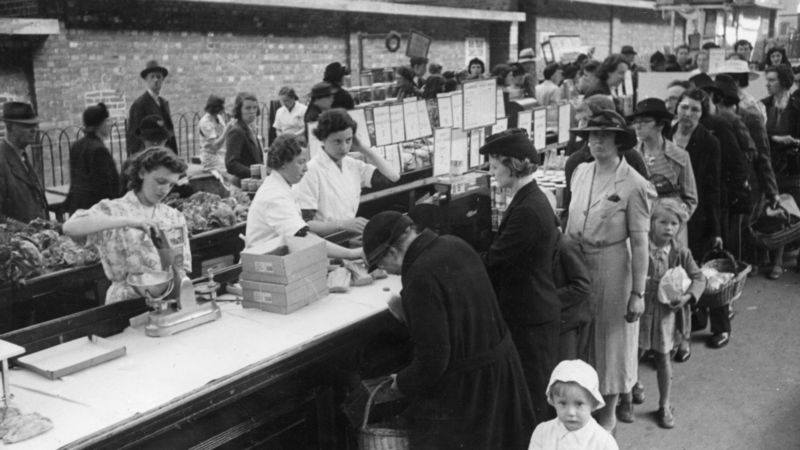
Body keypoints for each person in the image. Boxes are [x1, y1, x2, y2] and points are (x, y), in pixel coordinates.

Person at [363, 211, 535, 450]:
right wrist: (411, 313)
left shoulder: (419, 277)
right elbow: (461, 315)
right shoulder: (454, 244)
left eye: (382, 264)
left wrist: (401, 383)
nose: (388, 271)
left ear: (392, 252)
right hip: (502, 372)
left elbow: (434, 360)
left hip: (472, 390)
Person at [566, 110, 655, 431]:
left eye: (604, 135)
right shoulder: (580, 172)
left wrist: (638, 294)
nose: (596, 141)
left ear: (619, 141)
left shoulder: (634, 184)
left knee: (612, 343)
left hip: (614, 266)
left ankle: (608, 419)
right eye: (592, 134)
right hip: (578, 265)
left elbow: (641, 244)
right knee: (583, 341)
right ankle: (585, 414)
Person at [479, 129, 561, 424]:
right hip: (534, 311)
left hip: (530, 317)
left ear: (512, 165)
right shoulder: (530, 198)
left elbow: (496, 259)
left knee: (534, 395)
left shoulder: (527, 208)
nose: (492, 172)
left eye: (495, 166)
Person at [63, 147, 190, 304]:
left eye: (171, 185)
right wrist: (128, 221)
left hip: (166, 299)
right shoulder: (111, 210)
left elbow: (181, 270)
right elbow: (69, 228)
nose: (165, 190)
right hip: (124, 303)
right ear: (142, 173)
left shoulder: (174, 217)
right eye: (161, 181)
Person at [621, 199, 706, 429]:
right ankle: (628, 395)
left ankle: (664, 404)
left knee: (663, 357)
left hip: (665, 316)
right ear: (651, 222)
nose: (669, 228)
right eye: (663, 222)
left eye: (674, 223)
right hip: (641, 311)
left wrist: (687, 297)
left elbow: (699, 278)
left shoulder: (680, 252)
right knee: (633, 353)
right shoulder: (640, 247)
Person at [245, 134, 362, 259]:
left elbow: (303, 230)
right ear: (283, 163)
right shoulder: (275, 196)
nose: (306, 169)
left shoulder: (285, 186)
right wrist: (351, 253)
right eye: (300, 162)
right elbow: (302, 238)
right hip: (264, 262)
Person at [295, 109, 400, 236]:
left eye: (348, 140)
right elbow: (305, 224)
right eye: (337, 141)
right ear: (323, 138)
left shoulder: (352, 165)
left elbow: (393, 177)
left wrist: (363, 149)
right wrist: (342, 224)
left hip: (347, 236)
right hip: (325, 241)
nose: (344, 147)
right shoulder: (311, 171)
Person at [628, 98, 698, 246]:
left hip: (671, 232)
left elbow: (690, 198)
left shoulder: (679, 156)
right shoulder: (631, 155)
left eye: (645, 121)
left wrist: (677, 219)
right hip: (640, 228)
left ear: (660, 124)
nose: (638, 126)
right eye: (636, 122)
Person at [563, 95, 647, 211]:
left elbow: (643, 208)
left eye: (586, 120)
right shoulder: (576, 164)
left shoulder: (631, 160)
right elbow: (568, 209)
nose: (582, 126)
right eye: (594, 134)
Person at [761, 65, 800, 279]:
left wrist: (794, 142)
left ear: (784, 82)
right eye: (767, 79)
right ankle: (769, 257)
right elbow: (757, 134)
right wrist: (775, 139)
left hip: (791, 165)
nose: (767, 84)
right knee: (773, 208)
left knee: (790, 209)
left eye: (772, 80)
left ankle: (778, 260)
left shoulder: (796, 107)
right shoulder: (763, 105)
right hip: (769, 164)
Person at [528, 360, 618, 450]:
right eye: (563, 403)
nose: (571, 412)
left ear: (593, 403)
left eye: (579, 404)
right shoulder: (542, 433)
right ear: (553, 401)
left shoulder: (604, 442)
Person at [65, 103, 121, 214]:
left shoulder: (77, 146)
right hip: (95, 210)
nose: (109, 125)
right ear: (99, 124)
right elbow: (108, 185)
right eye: (107, 121)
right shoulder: (99, 150)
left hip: (78, 207)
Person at [0, 101, 48, 223]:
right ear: (10, 127)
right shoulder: (2, 160)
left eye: (35, 125)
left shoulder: (22, 156)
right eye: (27, 126)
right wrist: (29, 230)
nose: (34, 130)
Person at [552, 232, 592, 362]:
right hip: (555, 321)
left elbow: (582, 286)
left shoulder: (566, 245)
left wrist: (547, 299)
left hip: (568, 324)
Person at [126, 60, 177, 155]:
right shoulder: (139, 104)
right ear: (146, 79)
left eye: (159, 76)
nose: (156, 80)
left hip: (165, 153)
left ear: (162, 80)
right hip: (150, 155)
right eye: (152, 76)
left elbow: (170, 132)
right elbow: (134, 137)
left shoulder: (163, 103)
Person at [225, 92, 264, 185]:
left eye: (255, 107)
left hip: (255, 183)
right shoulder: (237, 131)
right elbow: (231, 164)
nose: (252, 111)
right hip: (243, 184)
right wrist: (254, 173)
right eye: (248, 108)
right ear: (239, 110)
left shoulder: (250, 128)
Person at [197, 94, 233, 176]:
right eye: (222, 106)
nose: (224, 108)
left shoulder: (218, 117)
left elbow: (224, 135)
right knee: (226, 176)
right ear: (216, 107)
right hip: (211, 158)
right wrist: (227, 130)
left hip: (221, 154)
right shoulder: (205, 122)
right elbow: (215, 146)